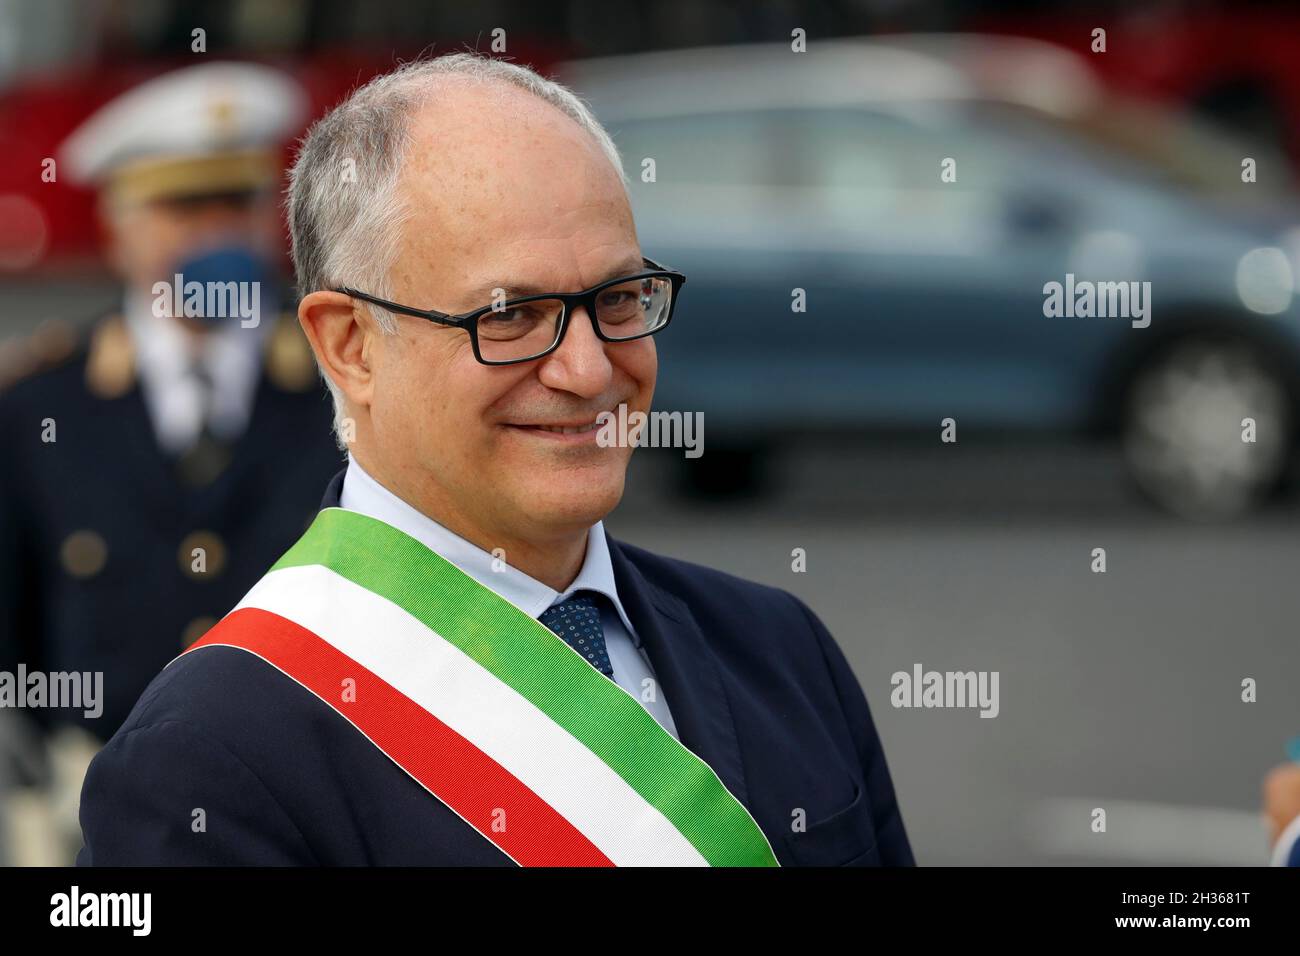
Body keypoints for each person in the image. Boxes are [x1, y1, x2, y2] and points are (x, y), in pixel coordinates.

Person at [75, 53, 912, 866]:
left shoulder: (781, 652)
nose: (588, 370)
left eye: (618, 299)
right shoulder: (206, 758)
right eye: (510, 316)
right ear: (351, 345)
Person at [0, 62, 342, 863]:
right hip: (101, 807)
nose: (215, 233)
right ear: (117, 229)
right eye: (184, 206)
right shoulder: (39, 404)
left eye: (237, 202)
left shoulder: (349, 385)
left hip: (310, 800)